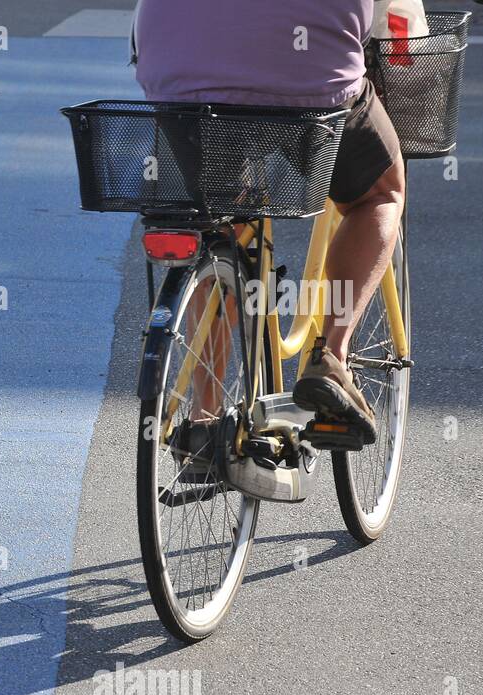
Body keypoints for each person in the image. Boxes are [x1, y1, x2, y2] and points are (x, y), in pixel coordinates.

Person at [133, 0, 407, 444]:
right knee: (379, 193)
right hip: (308, 77)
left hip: (179, 72)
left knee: (220, 219)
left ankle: (206, 417)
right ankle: (331, 358)